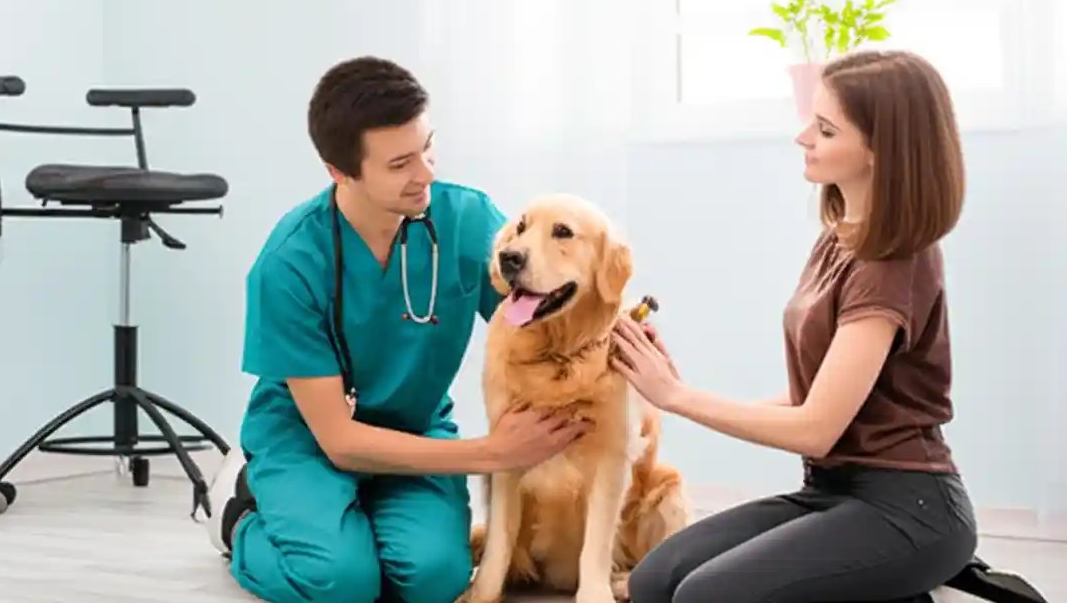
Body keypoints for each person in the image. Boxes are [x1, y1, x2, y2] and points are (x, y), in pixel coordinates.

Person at [207, 55, 592, 603]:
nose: (427, 173)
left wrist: (616, 336)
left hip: (414, 430)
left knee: (434, 580)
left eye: (428, 146)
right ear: (340, 171)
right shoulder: (291, 262)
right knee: (341, 583)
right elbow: (339, 441)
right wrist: (493, 452)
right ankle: (239, 517)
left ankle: (353, 526)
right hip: (308, 442)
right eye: (401, 163)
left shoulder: (467, 221)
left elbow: (544, 313)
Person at [610, 49, 976, 603]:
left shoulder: (893, 263)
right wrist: (671, 382)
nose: (802, 137)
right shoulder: (839, 237)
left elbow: (815, 428)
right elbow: (815, 400)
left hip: (910, 506)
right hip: (830, 490)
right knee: (654, 581)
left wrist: (678, 397)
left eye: (825, 130)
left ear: (880, 151)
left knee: (704, 597)